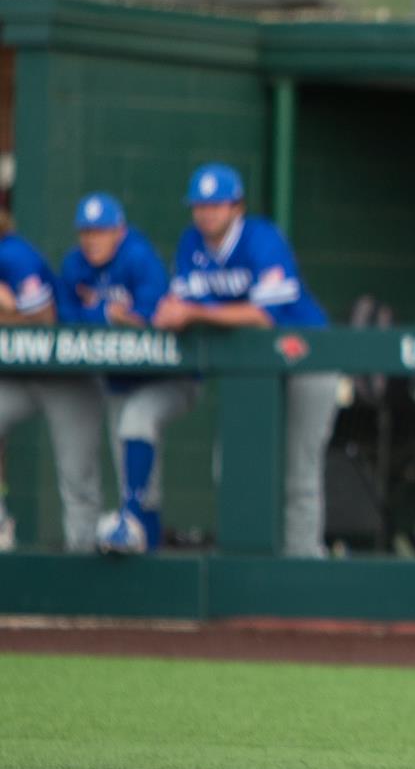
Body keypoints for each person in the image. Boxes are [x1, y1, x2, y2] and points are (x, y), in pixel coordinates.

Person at [155, 163, 336, 557]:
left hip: (307, 357)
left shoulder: (262, 238)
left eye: (216, 205)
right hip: (251, 367)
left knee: (299, 470)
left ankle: (303, 559)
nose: (206, 213)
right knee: (234, 465)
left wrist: (195, 313)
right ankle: (246, 561)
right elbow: (180, 305)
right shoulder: (191, 243)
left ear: (236, 206)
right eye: (199, 206)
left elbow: (263, 315)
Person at [55, 192, 195, 555]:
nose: (92, 239)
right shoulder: (75, 264)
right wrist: (106, 313)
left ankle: (132, 523)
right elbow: (65, 318)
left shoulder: (139, 257)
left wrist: (129, 318)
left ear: (119, 230)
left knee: (136, 423)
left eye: (100, 231)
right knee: (134, 469)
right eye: (85, 232)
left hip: (169, 378)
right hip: (119, 380)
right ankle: (145, 547)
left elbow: (153, 316)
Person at [0, 210, 102, 551]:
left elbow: (43, 317)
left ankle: (83, 556)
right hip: (22, 377)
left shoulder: (12, 252)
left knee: (77, 475)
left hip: (65, 375)